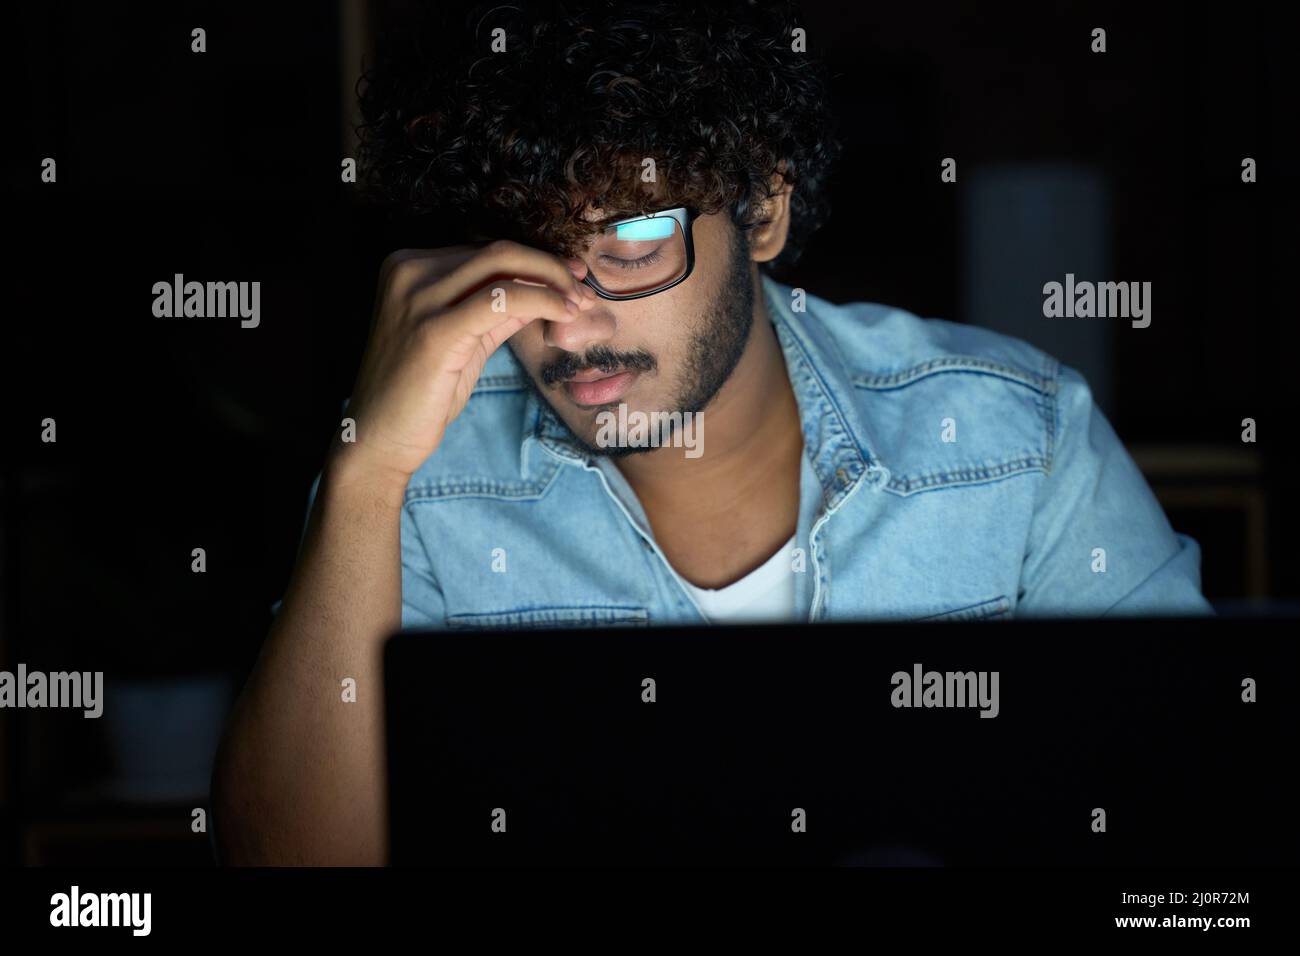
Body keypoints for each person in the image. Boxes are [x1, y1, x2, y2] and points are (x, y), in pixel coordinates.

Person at [211, 0, 1210, 865]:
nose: (572, 320)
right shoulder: (415, 480)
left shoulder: (1015, 439)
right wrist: (364, 469)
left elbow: (1197, 824)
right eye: (529, 254)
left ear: (763, 208)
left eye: (636, 238)